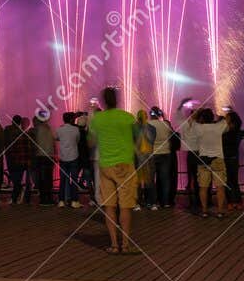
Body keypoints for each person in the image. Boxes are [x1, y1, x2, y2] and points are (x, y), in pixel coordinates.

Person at [88, 87, 140, 254]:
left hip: (106, 166)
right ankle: (125, 244)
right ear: (117, 100)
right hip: (125, 164)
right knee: (125, 206)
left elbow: (90, 142)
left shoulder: (97, 119)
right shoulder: (127, 117)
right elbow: (140, 136)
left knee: (109, 206)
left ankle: (114, 245)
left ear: (103, 101)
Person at [149, 105, 177, 211]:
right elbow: (172, 136)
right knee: (165, 179)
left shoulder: (148, 124)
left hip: (152, 154)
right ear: (159, 114)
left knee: (151, 179)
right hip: (166, 153)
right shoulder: (166, 124)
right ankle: (165, 202)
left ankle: (153, 202)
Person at [56, 111, 83, 207]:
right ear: (72, 119)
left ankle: (61, 200)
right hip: (74, 157)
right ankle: (74, 201)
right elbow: (77, 140)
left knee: (63, 180)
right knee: (74, 179)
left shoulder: (59, 130)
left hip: (63, 158)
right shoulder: (76, 130)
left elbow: (56, 138)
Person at [6, 115, 33, 204]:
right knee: (22, 180)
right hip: (24, 161)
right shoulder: (26, 134)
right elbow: (29, 149)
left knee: (16, 180)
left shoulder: (10, 132)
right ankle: (23, 198)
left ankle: (15, 198)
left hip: (15, 160)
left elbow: (12, 148)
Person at [31, 110, 56, 205]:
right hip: (49, 156)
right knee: (48, 178)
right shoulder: (49, 128)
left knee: (42, 178)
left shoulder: (36, 130)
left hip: (40, 156)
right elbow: (53, 142)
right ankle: (48, 198)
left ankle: (43, 198)